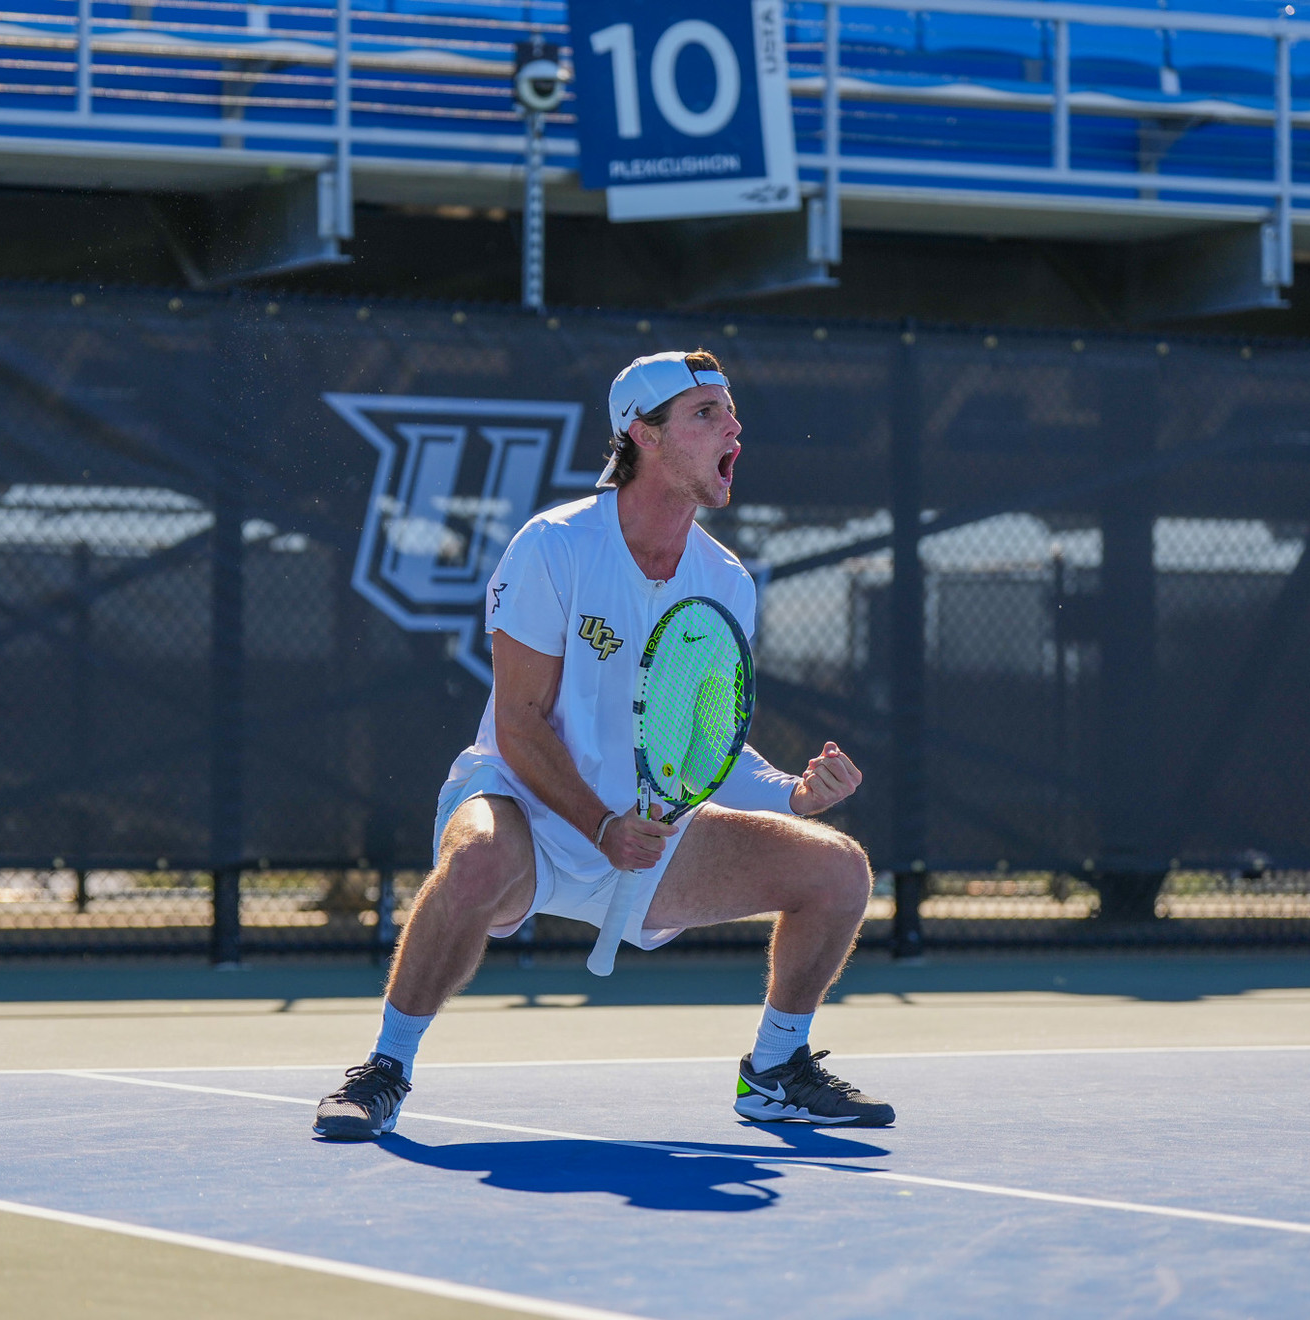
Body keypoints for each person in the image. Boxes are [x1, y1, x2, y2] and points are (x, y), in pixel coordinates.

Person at [313, 350, 892, 1140]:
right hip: (525, 808)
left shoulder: (725, 583)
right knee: (477, 861)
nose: (734, 427)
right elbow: (518, 722)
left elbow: (701, 748)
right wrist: (598, 827)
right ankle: (385, 1066)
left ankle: (776, 1072)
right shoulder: (554, 546)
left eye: (731, 411)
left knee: (839, 869)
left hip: (647, 838)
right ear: (643, 435)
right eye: (706, 413)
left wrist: (794, 793)